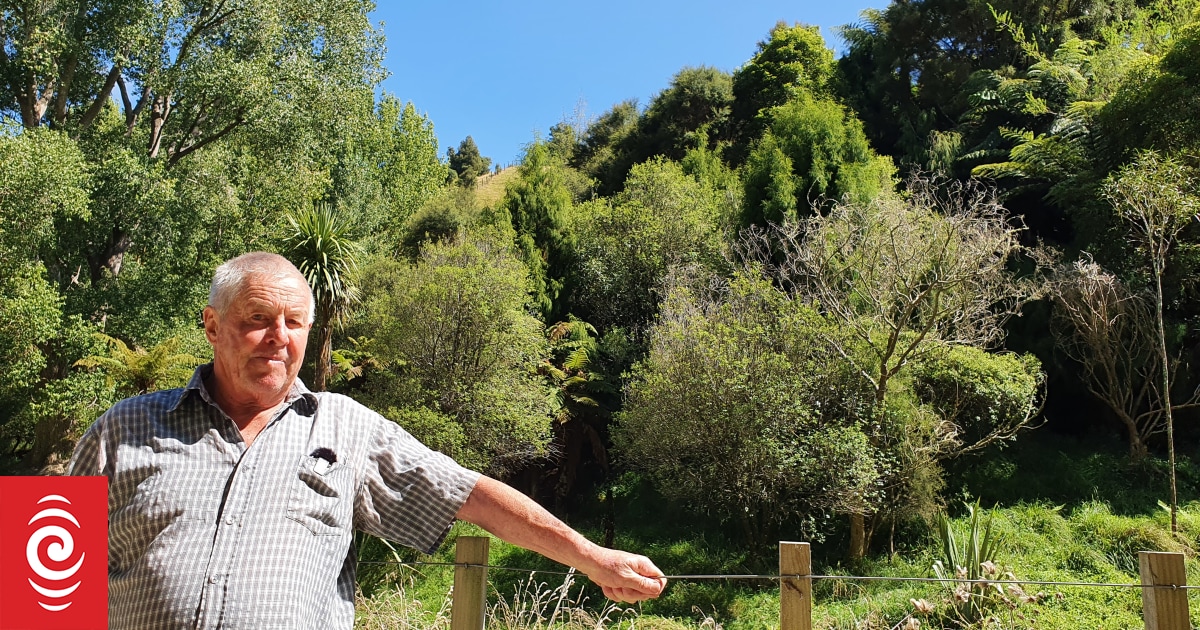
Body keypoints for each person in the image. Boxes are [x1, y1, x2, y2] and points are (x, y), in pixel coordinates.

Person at [68, 252, 665, 629]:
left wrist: (591, 556)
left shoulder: (346, 426)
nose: (278, 338)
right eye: (256, 319)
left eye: (294, 322)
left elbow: (466, 493)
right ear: (212, 325)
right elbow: (37, 583)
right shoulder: (121, 427)